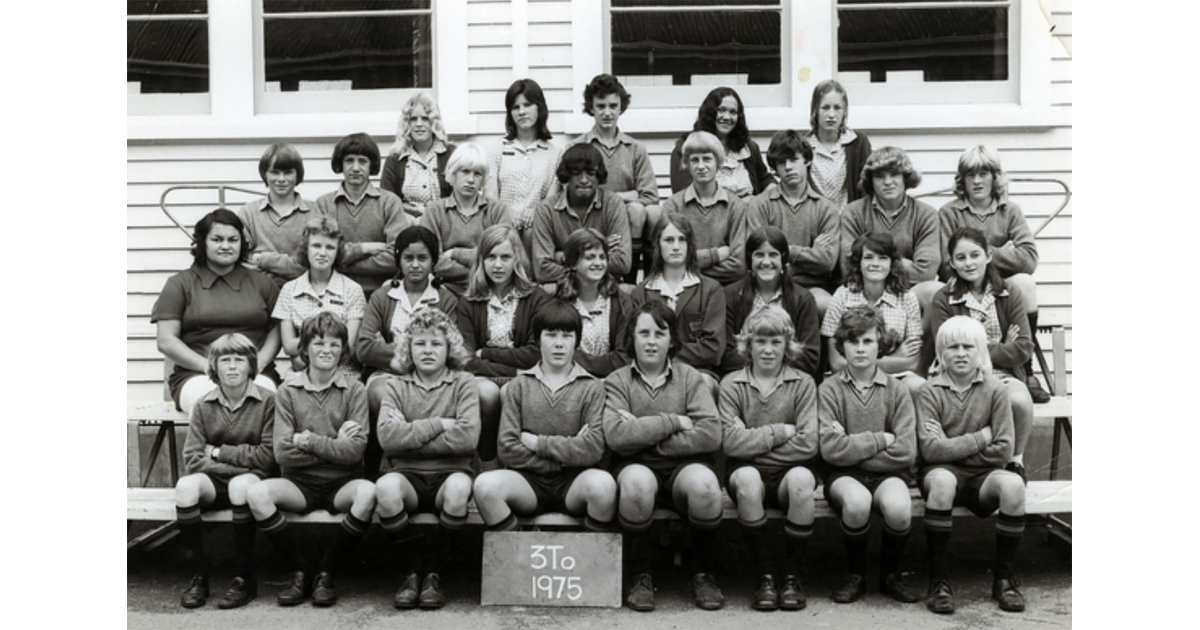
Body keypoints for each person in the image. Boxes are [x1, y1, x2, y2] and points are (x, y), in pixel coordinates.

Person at [245, 312, 374, 607]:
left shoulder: (355, 390)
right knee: (257, 493)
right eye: (318, 343)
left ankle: (326, 572)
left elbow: (355, 451)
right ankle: (301, 570)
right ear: (305, 348)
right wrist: (335, 443)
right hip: (299, 484)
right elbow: (282, 452)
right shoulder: (288, 391)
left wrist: (308, 440)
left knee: (368, 493)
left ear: (343, 349)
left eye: (333, 343)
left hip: (343, 482)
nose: (326, 350)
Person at [604, 300, 725, 611]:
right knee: (637, 484)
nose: (651, 340)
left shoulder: (690, 377)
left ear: (672, 339)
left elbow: (711, 432)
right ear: (631, 337)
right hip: (636, 466)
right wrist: (674, 421)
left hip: (683, 466)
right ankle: (640, 575)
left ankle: (704, 574)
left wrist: (644, 436)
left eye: (660, 333)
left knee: (706, 486)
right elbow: (617, 436)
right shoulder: (617, 380)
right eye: (643, 333)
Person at [474, 301, 617, 533]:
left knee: (603, 486)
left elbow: (593, 450)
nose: (558, 344)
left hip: (574, 482)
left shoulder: (592, 387)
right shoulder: (518, 386)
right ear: (538, 339)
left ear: (577, 341)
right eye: (550, 335)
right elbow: (508, 448)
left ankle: (585, 559)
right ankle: (518, 550)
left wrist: (536, 443)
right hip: (528, 483)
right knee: (485, 487)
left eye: (567, 336)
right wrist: (568, 451)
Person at [916, 316, 1027, 614]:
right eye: (952, 347)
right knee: (942, 481)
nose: (961, 353)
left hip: (984, 477)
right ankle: (939, 581)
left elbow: (1003, 449)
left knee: (1014, 485)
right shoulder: (929, 391)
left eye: (968, 346)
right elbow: (929, 450)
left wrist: (950, 447)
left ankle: (1003, 579)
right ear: (941, 353)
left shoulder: (996, 390)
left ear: (981, 351)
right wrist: (981, 437)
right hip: (941, 475)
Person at [373, 306, 481, 610]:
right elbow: (387, 439)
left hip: (451, 474)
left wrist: (409, 432)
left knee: (460, 489)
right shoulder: (395, 385)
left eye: (436, 343)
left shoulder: (464, 383)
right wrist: (439, 424)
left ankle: (435, 573)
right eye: (420, 343)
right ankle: (410, 572)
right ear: (409, 348)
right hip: (405, 475)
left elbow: (467, 438)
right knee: (385, 489)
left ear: (450, 348)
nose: (428, 350)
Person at [719, 306, 819, 611]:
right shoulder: (731, 384)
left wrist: (753, 438)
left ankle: (791, 575)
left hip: (791, 471)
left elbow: (808, 444)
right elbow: (730, 444)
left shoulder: (802, 383)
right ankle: (764, 575)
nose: (767, 349)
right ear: (748, 344)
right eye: (760, 341)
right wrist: (782, 430)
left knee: (803, 480)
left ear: (787, 345)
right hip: (747, 472)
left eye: (776, 341)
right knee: (748, 480)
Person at [819, 306, 920, 605]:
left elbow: (904, 450)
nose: (860, 349)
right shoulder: (829, 389)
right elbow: (830, 450)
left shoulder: (897, 389)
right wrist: (880, 439)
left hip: (889, 474)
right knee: (857, 502)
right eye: (853, 342)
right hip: (842, 476)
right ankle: (856, 575)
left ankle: (891, 575)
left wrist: (851, 445)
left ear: (881, 345)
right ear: (842, 346)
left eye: (868, 341)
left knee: (900, 507)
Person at [921, 227, 1035, 482]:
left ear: (989, 256)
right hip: (955, 375)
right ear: (951, 262)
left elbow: (1023, 349)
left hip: (999, 374)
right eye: (961, 258)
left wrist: (976, 348)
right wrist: (999, 345)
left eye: (975, 255)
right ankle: (953, 459)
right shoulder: (944, 299)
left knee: (1019, 400)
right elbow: (945, 348)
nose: (969, 263)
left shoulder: (1008, 293)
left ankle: (1015, 461)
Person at [938, 145, 1049, 403]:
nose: (977, 181)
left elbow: (1029, 259)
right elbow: (945, 266)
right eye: (970, 175)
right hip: (964, 285)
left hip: (1000, 286)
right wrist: (998, 254)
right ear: (962, 179)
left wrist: (983, 252)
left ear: (995, 177)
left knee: (1024, 282)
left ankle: (1027, 370)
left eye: (984, 173)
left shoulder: (1010, 210)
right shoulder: (949, 212)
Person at [175, 333, 276, 610]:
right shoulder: (204, 405)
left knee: (240, 485)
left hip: (249, 482)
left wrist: (218, 451)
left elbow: (267, 457)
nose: (232, 366)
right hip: (214, 481)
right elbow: (193, 459)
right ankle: (199, 576)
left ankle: (244, 577)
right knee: (185, 487)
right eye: (225, 360)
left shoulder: (268, 401)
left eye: (239, 360)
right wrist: (241, 461)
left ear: (251, 365)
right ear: (214, 366)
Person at [152, 208, 282, 413]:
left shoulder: (262, 283)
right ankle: (210, 448)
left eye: (233, 240)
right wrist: (209, 367)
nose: (226, 246)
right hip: (197, 375)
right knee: (211, 407)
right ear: (202, 242)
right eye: (217, 239)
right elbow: (166, 340)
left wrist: (259, 362)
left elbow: (278, 328)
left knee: (261, 408)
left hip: (255, 374)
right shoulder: (180, 284)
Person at [358, 225, 459, 478]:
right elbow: (364, 348)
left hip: (434, 376)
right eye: (408, 258)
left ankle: (425, 468)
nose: (415, 265)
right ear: (398, 261)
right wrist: (420, 352)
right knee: (382, 393)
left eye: (422, 258)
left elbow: (453, 349)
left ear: (434, 261)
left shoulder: (445, 300)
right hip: (387, 375)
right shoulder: (382, 297)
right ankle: (376, 469)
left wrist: (393, 347)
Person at [457, 224, 551, 468]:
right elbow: (465, 359)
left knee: (511, 391)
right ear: (481, 260)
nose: (498, 265)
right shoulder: (468, 302)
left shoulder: (536, 297)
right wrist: (511, 370)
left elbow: (535, 353)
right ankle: (488, 464)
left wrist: (486, 353)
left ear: (516, 259)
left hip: (526, 376)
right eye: (491, 257)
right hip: (485, 378)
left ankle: (515, 466)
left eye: (505, 257)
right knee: (486, 393)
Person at [573, 73, 661, 276]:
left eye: (613, 106)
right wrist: (628, 195)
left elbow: (651, 196)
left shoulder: (635, 148)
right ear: (591, 108)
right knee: (635, 208)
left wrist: (614, 197)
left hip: (630, 222)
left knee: (646, 212)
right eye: (600, 106)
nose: (607, 112)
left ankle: (637, 280)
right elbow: (572, 193)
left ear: (621, 107)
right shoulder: (579, 147)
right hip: (592, 216)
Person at [839, 146, 941, 314]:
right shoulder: (853, 212)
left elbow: (925, 272)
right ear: (870, 181)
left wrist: (873, 260)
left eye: (894, 174)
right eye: (879, 176)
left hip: (910, 290)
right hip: (865, 290)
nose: (887, 182)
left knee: (936, 292)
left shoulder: (926, 214)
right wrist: (903, 262)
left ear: (906, 178)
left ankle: (919, 341)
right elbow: (848, 265)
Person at [746, 130, 839, 313]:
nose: (788, 167)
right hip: (769, 285)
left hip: (812, 287)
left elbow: (827, 261)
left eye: (793, 160)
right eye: (781, 162)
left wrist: (783, 251)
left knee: (828, 306)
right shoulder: (760, 204)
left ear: (807, 161)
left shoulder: (826, 208)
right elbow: (756, 254)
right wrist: (809, 253)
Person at [631, 212, 726, 391]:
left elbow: (713, 349)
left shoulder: (710, 289)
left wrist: (662, 352)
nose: (676, 246)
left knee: (703, 382)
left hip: (697, 370)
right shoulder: (640, 293)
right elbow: (634, 344)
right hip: (650, 372)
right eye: (669, 240)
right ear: (657, 244)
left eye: (682, 240)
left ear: (690, 245)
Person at [822, 232, 925, 392]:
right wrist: (895, 358)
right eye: (869, 257)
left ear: (892, 263)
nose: (875, 264)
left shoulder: (907, 298)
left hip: (895, 378)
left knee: (918, 386)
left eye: (883, 258)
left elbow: (912, 362)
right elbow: (836, 363)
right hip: (849, 377)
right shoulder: (842, 296)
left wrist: (861, 362)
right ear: (858, 263)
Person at [316, 132, 413, 295]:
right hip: (335, 293)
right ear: (340, 164)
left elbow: (398, 256)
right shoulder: (324, 204)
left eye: (362, 161)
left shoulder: (389, 202)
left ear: (371, 165)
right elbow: (318, 254)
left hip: (384, 292)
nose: (355, 168)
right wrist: (363, 248)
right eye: (349, 161)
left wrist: (341, 262)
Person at [273, 216, 366, 379]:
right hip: (300, 375)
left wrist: (304, 350)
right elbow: (288, 346)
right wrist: (329, 344)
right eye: (316, 246)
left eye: (330, 247)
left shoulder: (352, 290)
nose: (322, 253)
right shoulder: (289, 290)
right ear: (306, 249)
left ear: (338, 252)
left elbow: (347, 346)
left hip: (343, 374)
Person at [721, 226, 820, 380]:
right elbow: (726, 354)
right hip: (742, 381)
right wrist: (759, 372)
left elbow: (809, 357)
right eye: (759, 255)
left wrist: (772, 371)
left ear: (783, 260)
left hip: (789, 381)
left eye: (773, 255)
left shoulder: (802, 298)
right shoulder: (730, 295)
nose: (766, 262)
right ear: (749, 259)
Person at [531, 143, 633, 284]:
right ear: (566, 175)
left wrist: (564, 256)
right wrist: (600, 248)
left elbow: (623, 262)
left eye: (590, 173)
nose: (584, 180)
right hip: (563, 290)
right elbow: (542, 270)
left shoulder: (613, 204)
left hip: (604, 287)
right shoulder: (546, 209)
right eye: (576, 173)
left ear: (598, 176)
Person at [419, 142, 513, 296]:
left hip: (488, 290)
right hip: (444, 290)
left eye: (477, 174)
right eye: (465, 172)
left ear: (483, 179)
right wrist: (481, 263)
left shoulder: (497, 210)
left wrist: (455, 253)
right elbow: (433, 262)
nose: (471, 179)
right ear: (453, 173)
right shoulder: (434, 211)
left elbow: (502, 256)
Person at [485, 78, 563, 251]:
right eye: (515, 107)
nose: (521, 112)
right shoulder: (496, 149)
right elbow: (491, 197)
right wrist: (506, 216)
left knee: (530, 230)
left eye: (527, 105)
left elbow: (551, 200)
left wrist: (536, 212)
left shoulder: (555, 153)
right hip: (502, 227)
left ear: (539, 108)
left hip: (539, 229)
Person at [661, 131, 748, 285]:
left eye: (707, 159)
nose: (701, 166)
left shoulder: (735, 206)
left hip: (724, 290)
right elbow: (669, 261)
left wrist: (690, 266)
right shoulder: (672, 206)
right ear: (687, 164)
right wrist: (715, 255)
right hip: (683, 290)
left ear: (719, 163)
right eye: (695, 160)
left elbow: (738, 266)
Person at [554, 228, 635, 377]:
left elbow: (623, 358)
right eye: (590, 257)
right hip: (568, 380)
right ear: (573, 263)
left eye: (602, 257)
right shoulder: (558, 301)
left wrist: (575, 358)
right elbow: (556, 355)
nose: (598, 263)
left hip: (612, 381)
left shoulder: (622, 302)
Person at [670, 87, 774, 198]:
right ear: (710, 112)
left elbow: (764, 180)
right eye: (721, 110)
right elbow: (683, 194)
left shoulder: (748, 148)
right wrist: (740, 205)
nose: (727, 117)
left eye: (733, 112)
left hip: (750, 213)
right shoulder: (687, 147)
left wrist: (771, 193)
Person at [238, 143, 317, 285]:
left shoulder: (315, 213)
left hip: (303, 292)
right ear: (265, 174)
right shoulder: (248, 214)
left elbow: (309, 266)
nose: (281, 179)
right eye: (275, 172)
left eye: (288, 172)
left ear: (298, 174)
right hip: (258, 292)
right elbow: (241, 263)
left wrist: (261, 259)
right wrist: (288, 266)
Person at [380, 93, 456, 220]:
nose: (419, 124)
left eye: (425, 119)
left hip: (443, 223)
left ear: (434, 122)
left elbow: (460, 198)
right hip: (406, 225)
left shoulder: (451, 155)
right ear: (407, 124)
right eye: (413, 119)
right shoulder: (395, 158)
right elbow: (387, 202)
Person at [805, 80, 872, 211]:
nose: (831, 115)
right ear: (815, 111)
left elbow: (867, 186)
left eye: (837, 108)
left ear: (845, 112)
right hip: (815, 223)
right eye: (825, 108)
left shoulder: (858, 142)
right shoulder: (803, 146)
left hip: (850, 222)